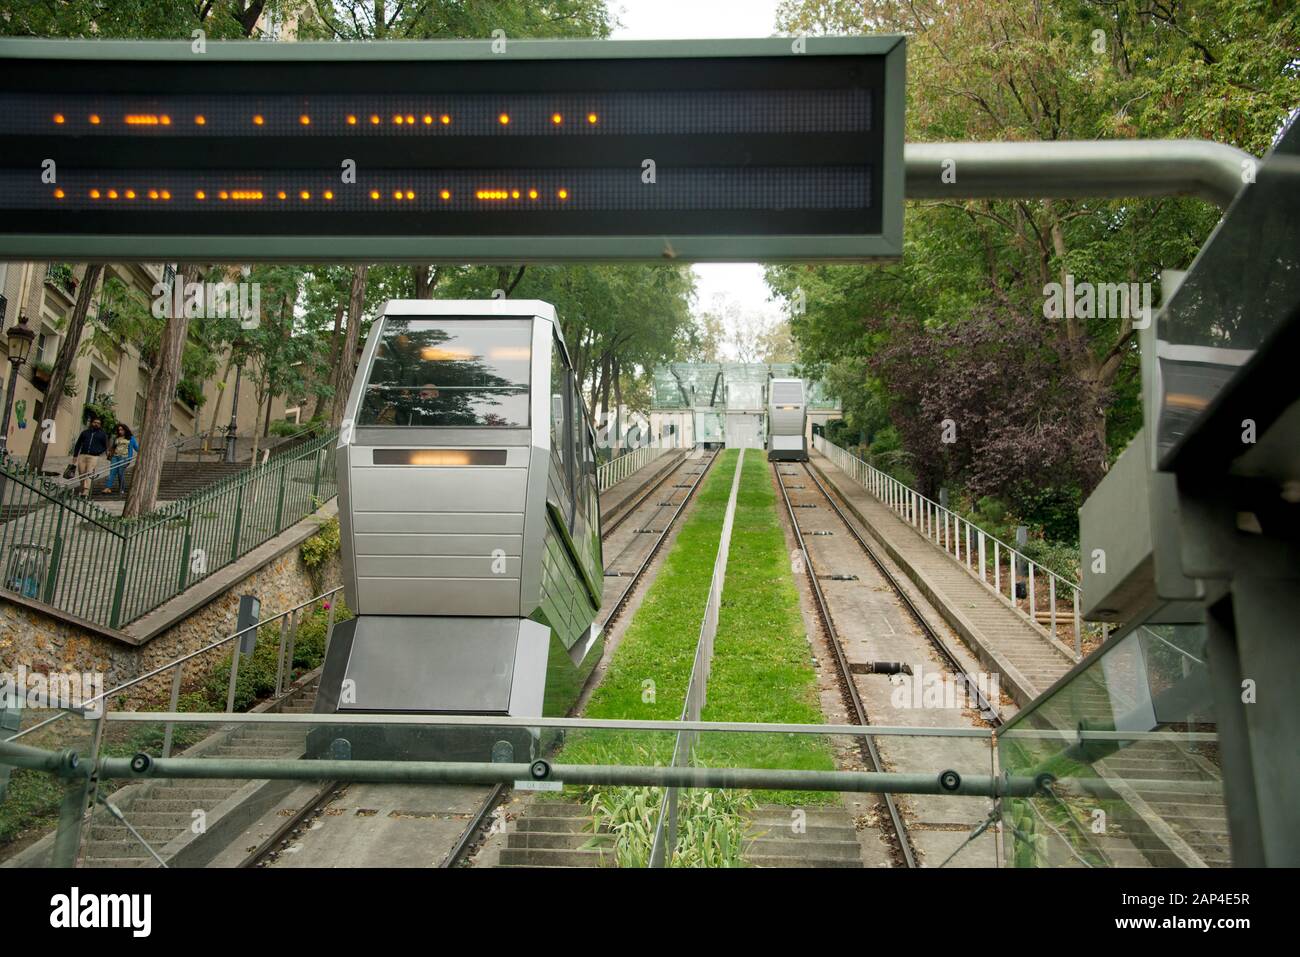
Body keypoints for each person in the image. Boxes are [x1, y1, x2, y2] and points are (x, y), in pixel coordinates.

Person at [71, 417, 109, 498]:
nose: (96, 424)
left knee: (89, 473)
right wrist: (75, 455)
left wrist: (98, 451)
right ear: (92, 423)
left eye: (98, 423)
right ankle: (81, 489)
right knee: (81, 473)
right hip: (82, 455)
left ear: (100, 425)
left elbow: (105, 446)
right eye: (95, 422)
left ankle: (86, 491)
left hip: (93, 457)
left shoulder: (102, 434)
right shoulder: (85, 432)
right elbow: (78, 444)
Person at [103, 423, 138, 494]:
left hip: (125, 458)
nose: (120, 431)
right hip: (115, 457)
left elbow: (137, 448)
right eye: (119, 430)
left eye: (122, 430)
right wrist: (110, 453)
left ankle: (121, 488)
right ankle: (108, 488)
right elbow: (113, 447)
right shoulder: (117, 438)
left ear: (125, 430)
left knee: (120, 472)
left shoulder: (131, 438)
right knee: (112, 472)